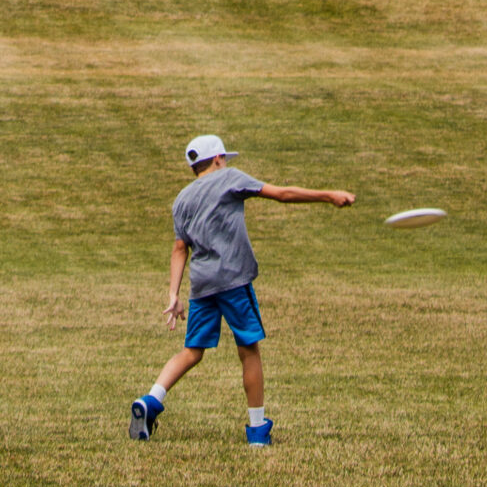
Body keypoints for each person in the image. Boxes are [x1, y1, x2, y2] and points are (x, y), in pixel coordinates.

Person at [128, 134, 354, 448]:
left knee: (193, 351)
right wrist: (328, 195)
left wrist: (173, 294)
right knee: (248, 350)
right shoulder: (229, 178)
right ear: (218, 159)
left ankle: (151, 400)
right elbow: (283, 194)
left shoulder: (181, 199)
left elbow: (180, 248)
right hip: (233, 279)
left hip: (202, 284)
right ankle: (258, 431)